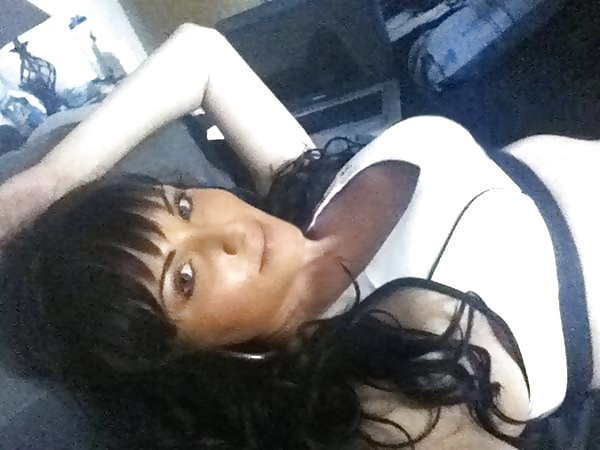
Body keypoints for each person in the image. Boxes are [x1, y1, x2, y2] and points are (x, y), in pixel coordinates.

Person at [0, 24, 597, 449]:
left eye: (183, 205)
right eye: (184, 278)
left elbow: (201, 56)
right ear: (199, 353)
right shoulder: (383, 387)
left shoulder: (307, 196)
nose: (224, 232)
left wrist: (48, 181)